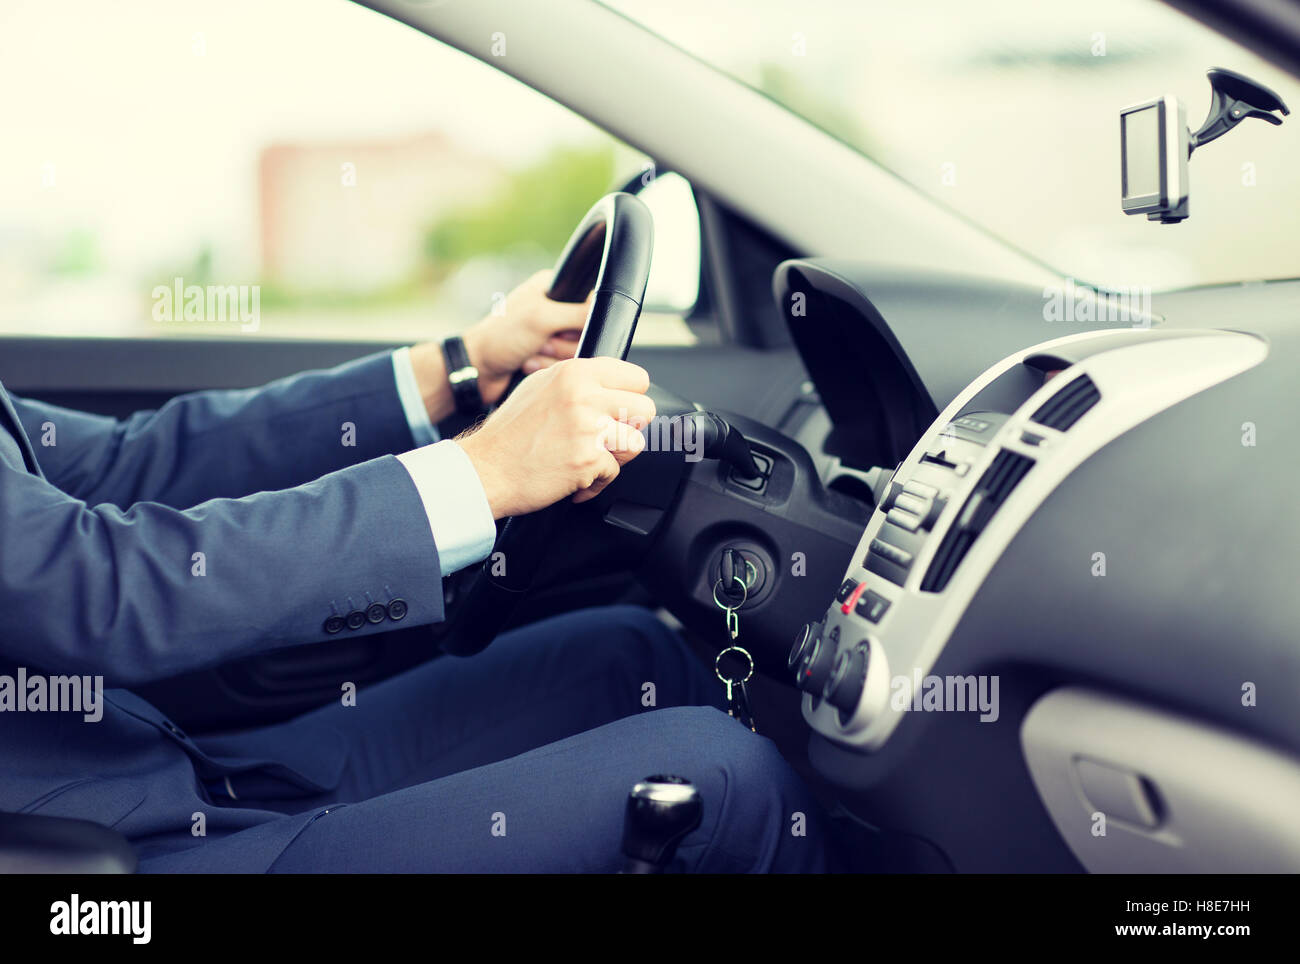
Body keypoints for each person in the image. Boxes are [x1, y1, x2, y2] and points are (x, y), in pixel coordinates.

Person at [0, 272, 840, 872]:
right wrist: (484, 472)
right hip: (109, 853)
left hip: (149, 767)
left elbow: (122, 465)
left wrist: (461, 366)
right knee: (724, 785)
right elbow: (89, 588)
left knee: (631, 658)